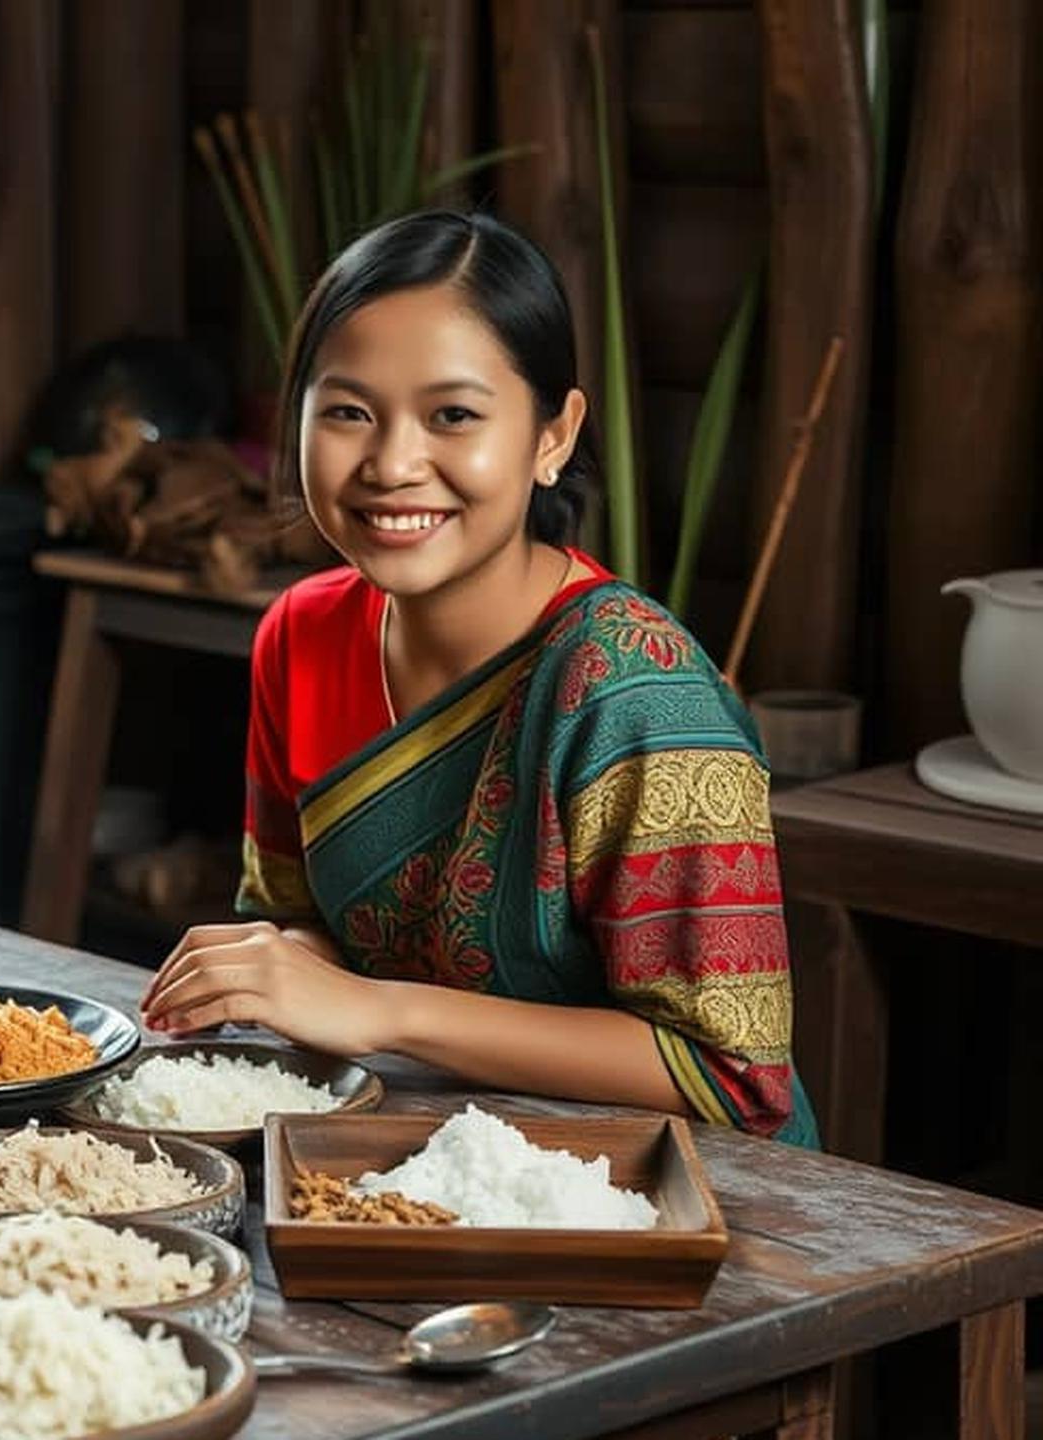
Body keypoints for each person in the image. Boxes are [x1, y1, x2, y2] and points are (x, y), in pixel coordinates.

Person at [139, 210, 816, 1145]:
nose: (392, 464)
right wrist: (275, 973)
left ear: (553, 435)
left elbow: (730, 1074)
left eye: (452, 415)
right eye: (347, 412)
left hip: (695, 1206)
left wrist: (381, 1012)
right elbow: (294, 921)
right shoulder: (299, 635)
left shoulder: (636, 691)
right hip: (422, 1159)